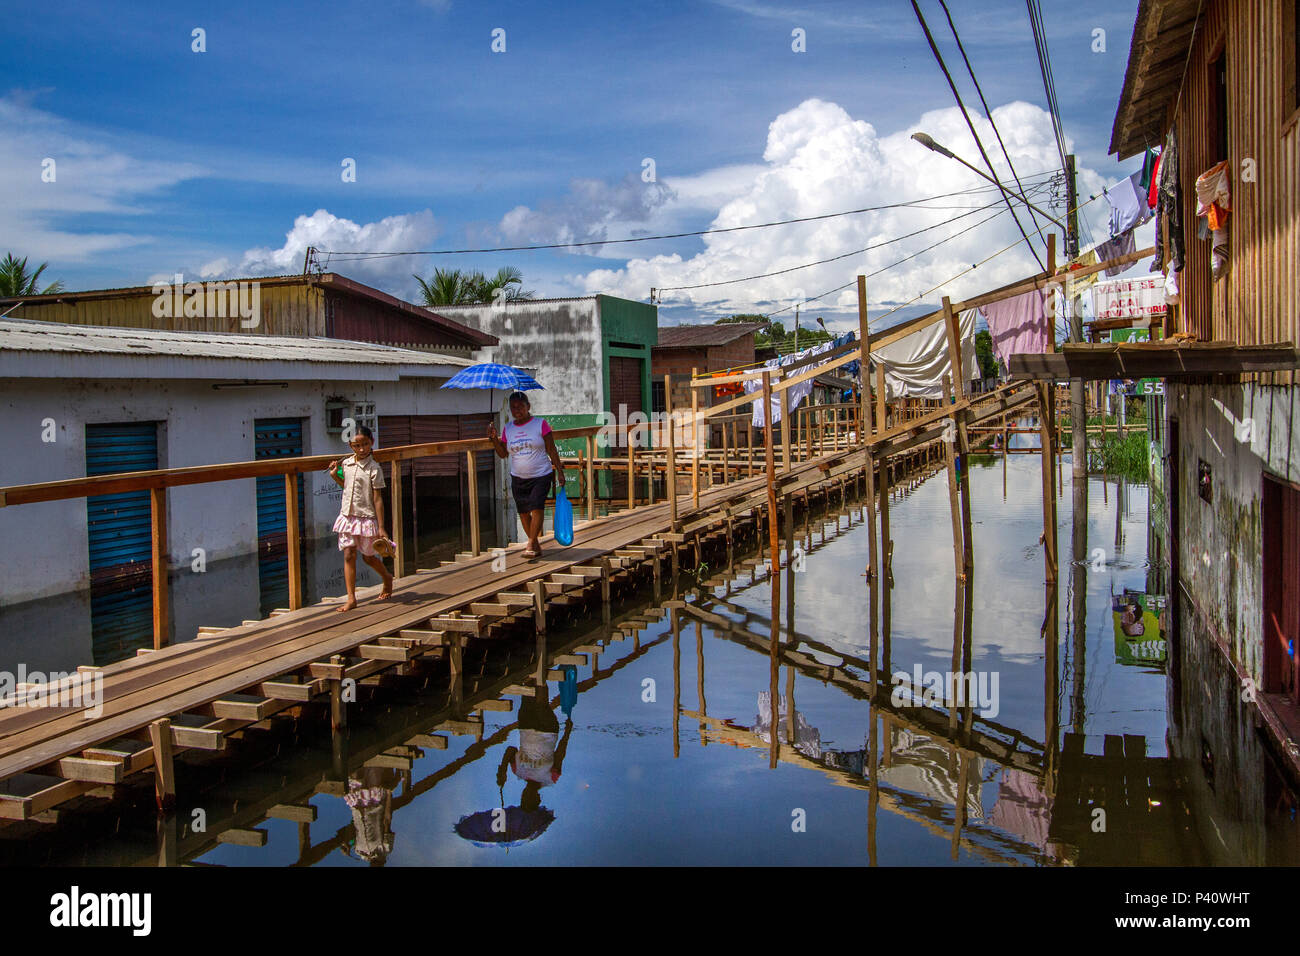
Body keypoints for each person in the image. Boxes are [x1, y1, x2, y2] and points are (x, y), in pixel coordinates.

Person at [487, 391, 566, 558]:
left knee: (536, 507)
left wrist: (559, 471)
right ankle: (535, 544)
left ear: (528, 407)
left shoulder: (540, 424)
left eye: (521, 407)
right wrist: (494, 439)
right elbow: (503, 454)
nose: (517, 411)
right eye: (513, 408)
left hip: (541, 474)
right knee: (523, 512)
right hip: (518, 477)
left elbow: (551, 449)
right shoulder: (508, 428)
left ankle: (530, 543)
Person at [327, 425, 394, 612]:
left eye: (365, 444)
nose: (362, 449)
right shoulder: (347, 464)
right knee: (349, 554)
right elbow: (346, 486)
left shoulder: (374, 468)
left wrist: (381, 527)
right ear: (351, 446)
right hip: (347, 516)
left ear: (371, 442)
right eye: (357, 445)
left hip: (366, 517)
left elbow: (377, 499)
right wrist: (335, 475)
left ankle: (387, 577)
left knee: (368, 557)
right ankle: (351, 598)